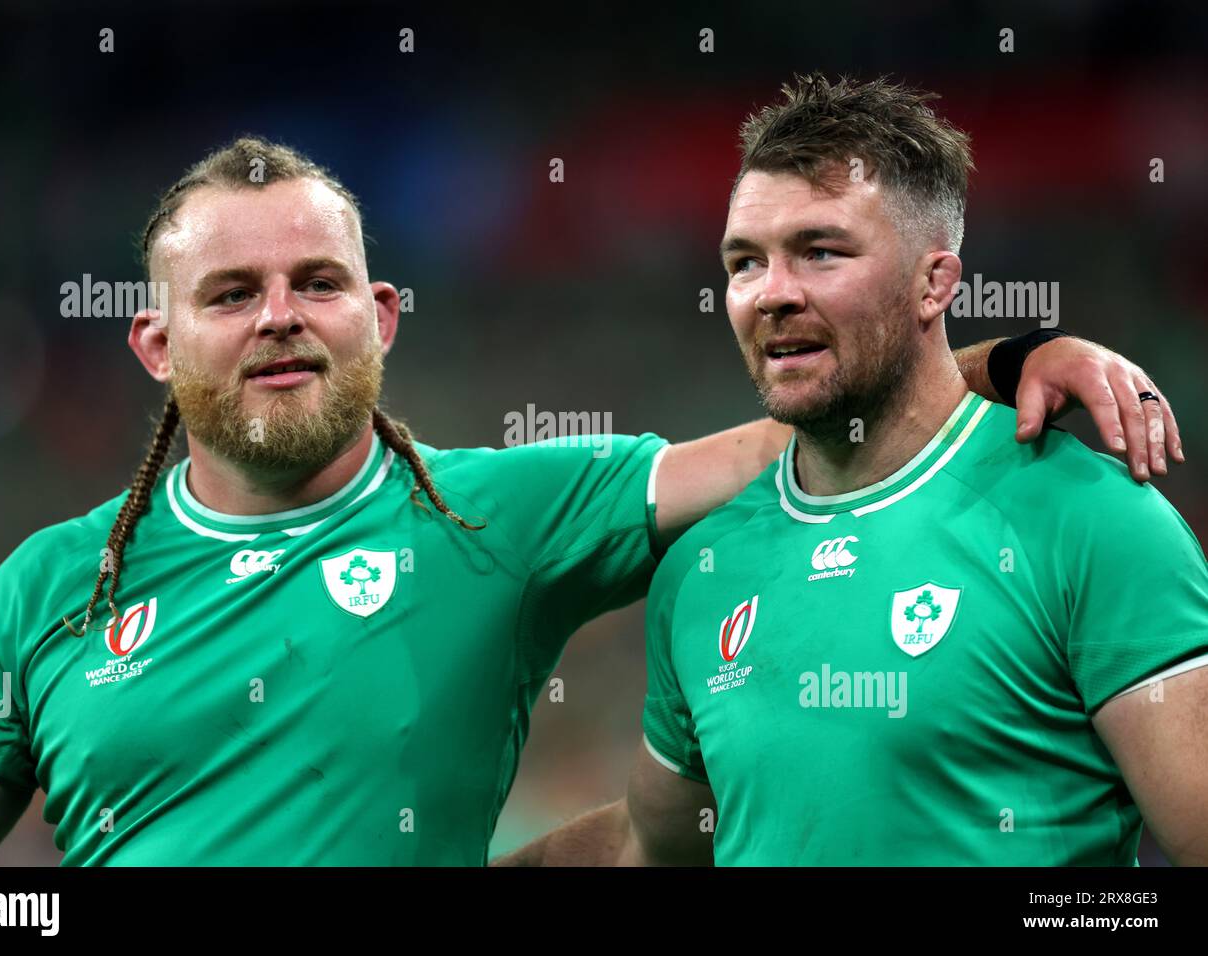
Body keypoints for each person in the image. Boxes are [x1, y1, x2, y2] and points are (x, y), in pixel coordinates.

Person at [0, 135, 1178, 866]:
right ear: (153, 341)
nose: (280, 316)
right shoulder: (45, 586)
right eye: (231, 292)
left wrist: (1001, 358)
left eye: (318, 280)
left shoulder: (505, 517)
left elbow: (799, 427)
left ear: (383, 315)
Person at [496, 75, 1206, 867]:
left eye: (820, 252)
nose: (771, 294)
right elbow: (648, 846)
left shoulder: (1088, 518)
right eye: (744, 263)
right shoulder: (704, 565)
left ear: (935, 282)